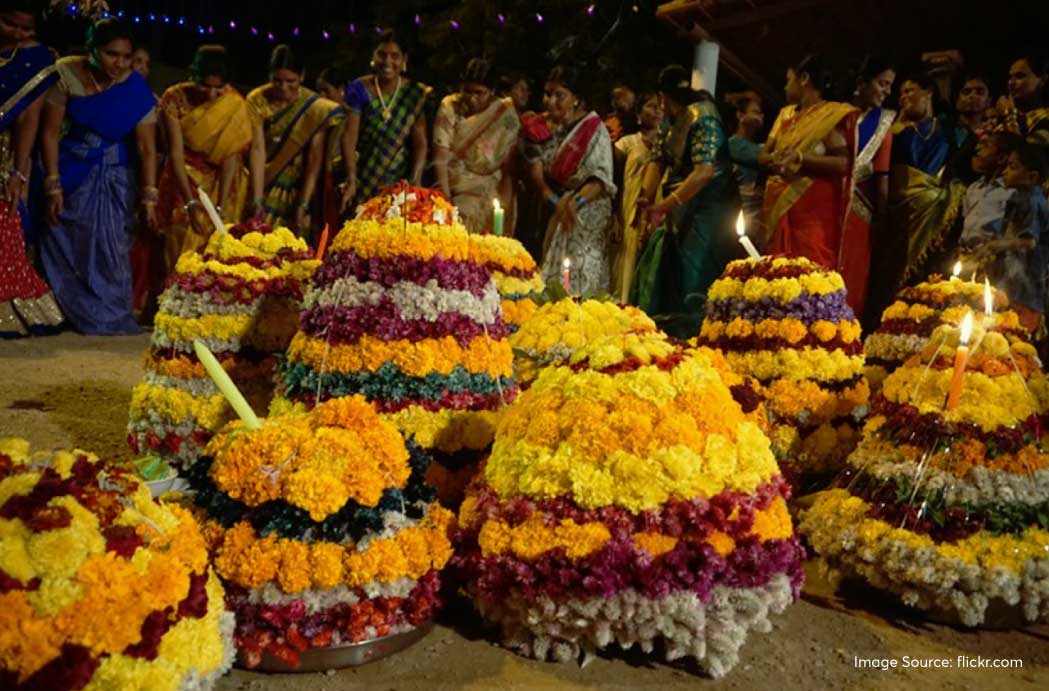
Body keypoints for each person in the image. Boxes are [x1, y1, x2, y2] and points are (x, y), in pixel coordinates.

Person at [39, 18, 156, 335]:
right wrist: (53, 184)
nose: (120, 63)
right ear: (91, 49)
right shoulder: (67, 73)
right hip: (70, 170)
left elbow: (147, 149)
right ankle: (68, 312)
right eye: (111, 54)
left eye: (126, 57)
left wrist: (149, 196)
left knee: (110, 249)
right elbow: (49, 134)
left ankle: (110, 317)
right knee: (62, 240)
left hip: (115, 178)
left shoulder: (135, 90)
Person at [641, 65, 740, 336]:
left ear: (663, 96)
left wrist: (664, 206)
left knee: (694, 276)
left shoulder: (704, 116)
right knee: (671, 273)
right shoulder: (670, 121)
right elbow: (658, 160)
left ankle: (695, 338)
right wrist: (644, 198)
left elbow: (704, 172)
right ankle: (667, 335)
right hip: (680, 210)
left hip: (709, 211)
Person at [760, 55, 861, 309]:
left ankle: (813, 325)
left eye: (789, 80)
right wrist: (774, 159)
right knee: (777, 271)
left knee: (811, 274)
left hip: (812, 210)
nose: (785, 87)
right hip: (778, 202)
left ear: (804, 79)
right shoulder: (785, 115)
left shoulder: (830, 115)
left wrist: (800, 158)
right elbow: (764, 154)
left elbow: (843, 164)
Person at [156, 45, 252, 269]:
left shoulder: (233, 103)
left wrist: (220, 207)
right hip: (182, 179)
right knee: (178, 245)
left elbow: (230, 157)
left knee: (214, 249)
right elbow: (176, 153)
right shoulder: (175, 97)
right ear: (193, 74)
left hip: (219, 183)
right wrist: (190, 202)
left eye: (218, 88)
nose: (211, 94)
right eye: (205, 86)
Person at [0, 0, 62, 336]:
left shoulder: (34, 60)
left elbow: (28, 120)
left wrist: (18, 172)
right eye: (10, 24)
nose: (18, 33)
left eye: (26, 28)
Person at [530, 64, 616, 295]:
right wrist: (556, 202)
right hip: (560, 209)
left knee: (581, 280)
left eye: (560, 95)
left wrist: (573, 204)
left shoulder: (594, 128)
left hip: (587, 211)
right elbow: (537, 176)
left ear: (576, 99)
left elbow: (600, 179)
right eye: (548, 94)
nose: (551, 101)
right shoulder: (546, 128)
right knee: (555, 280)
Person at [884, 73, 967, 290]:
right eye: (901, 94)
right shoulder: (895, 132)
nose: (903, 97)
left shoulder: (949, 130)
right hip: (902, 214)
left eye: (909, 91)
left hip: (936, 214)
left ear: (929, 92)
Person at [246, 44, 341, 234]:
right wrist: (257, 198)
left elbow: (314, 158)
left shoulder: (314, 108)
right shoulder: (257, 99)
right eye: (277, 80)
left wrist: (303, 203)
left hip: (297, 185)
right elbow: (257, 148)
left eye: (291, 81)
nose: (283, 87)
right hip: (261, 178)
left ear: (302, 77)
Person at [340, 31, 431, 213]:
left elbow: (420, 143)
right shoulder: (359, 88)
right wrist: (351, 178)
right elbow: (349, 137)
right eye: (382, 54)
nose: (387, 61)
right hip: (364, 177)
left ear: (404, 60)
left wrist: (415, 181)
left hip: (400, 183)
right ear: (373, 57)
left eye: (395, 56)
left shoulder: (415, 94)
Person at [433, 58, 520, 234]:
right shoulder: (450, 106)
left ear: (492, 92)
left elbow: (508, 168)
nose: (472, 98)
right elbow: (441, 157)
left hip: (492, 190)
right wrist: (445, 199)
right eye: (467, 91)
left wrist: (505, 204)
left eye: (479, 93)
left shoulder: (503, 114)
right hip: (456, 190)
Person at [975, 143, 1049, 333]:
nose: (1005, 172)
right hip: (1010, 279)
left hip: (1025, 286)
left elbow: (1029, 242)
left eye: (1012, 167)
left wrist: (995, 245)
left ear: (1032, 177)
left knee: (1016, 334)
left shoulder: (1033, 201)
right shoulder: (1018, 196)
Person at [846, 56, 896, 318]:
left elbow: (882, 178)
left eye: (890, 86)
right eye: (882, 83)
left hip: (859, 214)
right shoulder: (835, 113)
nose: (887, 91)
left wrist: (881, 216)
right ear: (861, 83)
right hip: (825, 206)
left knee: (850, 278)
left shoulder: (884, 124)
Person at [610, 91, 662, 302]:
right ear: (639, 114)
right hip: (628, 210)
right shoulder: (626, 144)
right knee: (626, 261)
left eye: (660, 106)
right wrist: (615, 216)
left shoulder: (668, 145)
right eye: (651, 106)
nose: (657, 111)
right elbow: (615, 182)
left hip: (655, 212)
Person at [958, 132, 1021, 252]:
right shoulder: (974, 187)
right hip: (963, 253)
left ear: (1001, 158)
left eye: (986, 145)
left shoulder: (1011, 194)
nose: (978, 149)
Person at [727, 94, 766, 245]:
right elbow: (766, 158)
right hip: (741, 215)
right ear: (740, 115)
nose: (760, 116)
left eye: (761, 113)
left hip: (754, 216)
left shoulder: (754, 146)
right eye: (755, 112)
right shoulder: (734, 144)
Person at [316, 66, 348, 233]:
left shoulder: (349, 118)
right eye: (319, 91)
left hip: (339, 183)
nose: (322, 97)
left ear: (341, 90)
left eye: (326, 91)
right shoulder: (319, 116)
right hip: (321, 182)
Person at [995, 55, 1049, 147]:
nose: (1011, 82)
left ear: (1042, 80)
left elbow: (1025, 153)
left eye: (1020, 76)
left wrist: (1009, 115)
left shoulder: (1045, 118)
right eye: (1010, 77)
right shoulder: (999, 118)